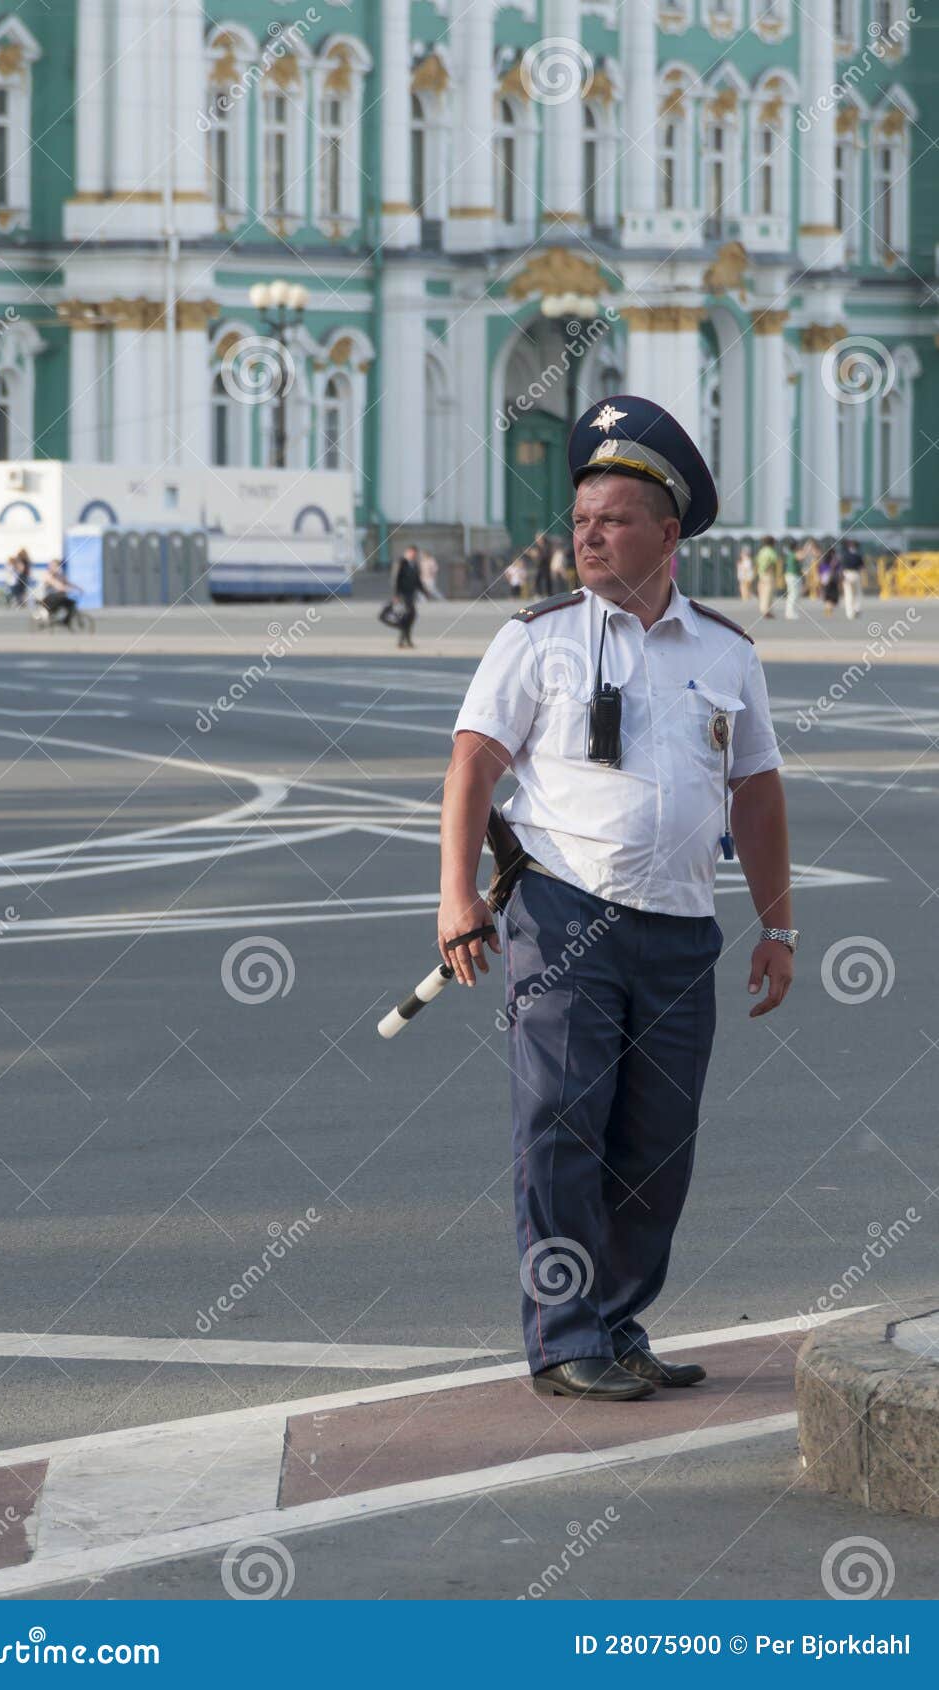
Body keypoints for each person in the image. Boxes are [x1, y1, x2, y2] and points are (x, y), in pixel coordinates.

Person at [439, 394, 794, 1403]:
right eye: (580, 519)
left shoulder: (726, 652)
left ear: (668, 533)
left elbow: (758, 791)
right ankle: (563, 1335)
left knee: (657, 1143)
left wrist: (778, 923)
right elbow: (471, 765)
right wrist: (455, 896)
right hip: (561, 916)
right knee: (561, 1123)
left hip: (682, 929)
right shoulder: (537, 637)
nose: (587, 535)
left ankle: (619, 1316)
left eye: (612, 520)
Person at [392, 544, 429, 649]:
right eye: (412, 553)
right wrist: (396, 595)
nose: (413, 555)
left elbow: (417, 580)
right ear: (407, 552)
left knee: (409, 617)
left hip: (411, 594)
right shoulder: (401, 562)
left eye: (415, 554)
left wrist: (424, 591)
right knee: (409, 615)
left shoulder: (414, 564)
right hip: (403, 594)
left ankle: (404, 640)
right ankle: (405, 640)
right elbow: (396, 579)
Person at [40, 557, 80, 629]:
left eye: (56, 566)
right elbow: (57, 585)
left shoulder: (60, 575)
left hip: (59, 597)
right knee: (59, 598)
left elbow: (68, 583)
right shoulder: (48, 575)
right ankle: (50, 617)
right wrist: (67, 589)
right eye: (52, 566)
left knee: (71, 604)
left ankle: (65, 621)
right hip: (49, 599)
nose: (54, 568)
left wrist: (78, 588)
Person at [754, 533, 780, 618]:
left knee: (762, 593)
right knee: (768, 593)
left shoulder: (761, 551)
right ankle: (767, 611)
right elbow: (773, 562)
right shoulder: (771, 551)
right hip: (769, 574)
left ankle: (763, 609)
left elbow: (756, 562)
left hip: (761, 574)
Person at [839, 537, 863, 619]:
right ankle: (857, 608)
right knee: (857, 593)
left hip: (847, 574)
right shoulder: (858, 555)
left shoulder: (844, 555)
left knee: (848, 594)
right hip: (856, 574)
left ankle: (849, 613)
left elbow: (841, 566)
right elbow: (861, 567)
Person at [782, 540, 803, 620]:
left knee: (792, 594)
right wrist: (807, 548)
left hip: (790, 576)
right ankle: (791, 613)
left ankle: (789, 612)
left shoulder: (790, 554)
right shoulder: (793, 554)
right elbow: (801, 556)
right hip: (793, 576)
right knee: (794, 594)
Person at [818, 547, 840, 617]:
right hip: (832, 580)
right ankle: (829, 610)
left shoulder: (823, 561)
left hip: (824, 580)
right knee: (833, 596)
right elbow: (838, 570)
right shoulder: (835, 561)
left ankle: (828, 609)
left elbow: (820, 570)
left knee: (827, 596)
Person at [530, 530, 553, 598]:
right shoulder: (535, 546)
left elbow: (547, 555)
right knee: (537, 579)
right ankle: (538, 593)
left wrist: (538, 555)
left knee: (547, 579)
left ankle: (548, 593)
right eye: (537, 538)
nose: (538, 539)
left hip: (546, 564)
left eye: (539, 538)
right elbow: (533, 554)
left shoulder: (547, 545)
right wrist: (532, 554)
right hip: (538, 565)